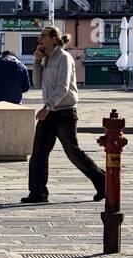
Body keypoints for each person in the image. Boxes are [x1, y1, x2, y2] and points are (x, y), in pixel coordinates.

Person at [22, 26, 106, 204]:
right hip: (49, 112)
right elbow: (37, 84)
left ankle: (103, 182)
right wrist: (37, 62)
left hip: (64, 113)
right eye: (39, 36)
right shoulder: (47, 59)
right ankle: (37, 193)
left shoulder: (64, 58)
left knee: (72, 152)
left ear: (54, 38)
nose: (40, 40)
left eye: (43, 36)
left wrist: (47, 106)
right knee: (38, 153)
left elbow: (63, 87)